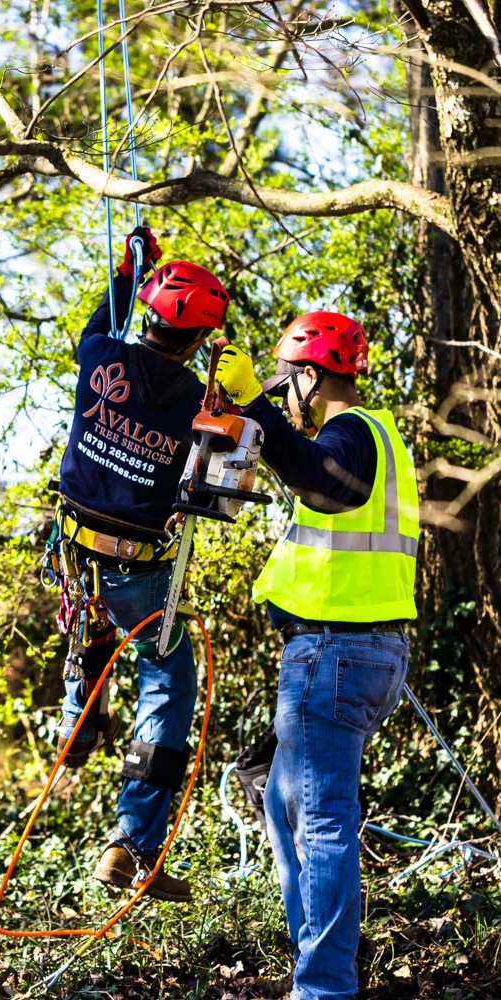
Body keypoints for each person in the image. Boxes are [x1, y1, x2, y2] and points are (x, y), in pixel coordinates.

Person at [215, 312, 418, 1000]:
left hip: (335, 652)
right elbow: (314, 480)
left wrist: (253, 406)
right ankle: (321, 953)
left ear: (309, 375)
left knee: (324, 818)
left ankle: (324, 987)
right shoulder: (379, 436)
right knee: (281, 802)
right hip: (366, 653)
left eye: (286, 384)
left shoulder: (349, 437)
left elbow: (321, 481)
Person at [54, 226, 229, 902]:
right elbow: (217, 488)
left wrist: (132, 266)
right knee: (166, 685)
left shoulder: (98, 356)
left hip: (74, 552)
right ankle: (130, 843)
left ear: (149, 315)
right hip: (141, 570)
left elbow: (106, 314)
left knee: (87, 631)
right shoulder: (200, 406)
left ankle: (77, 721)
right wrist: (233, 393)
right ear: (197, 340)